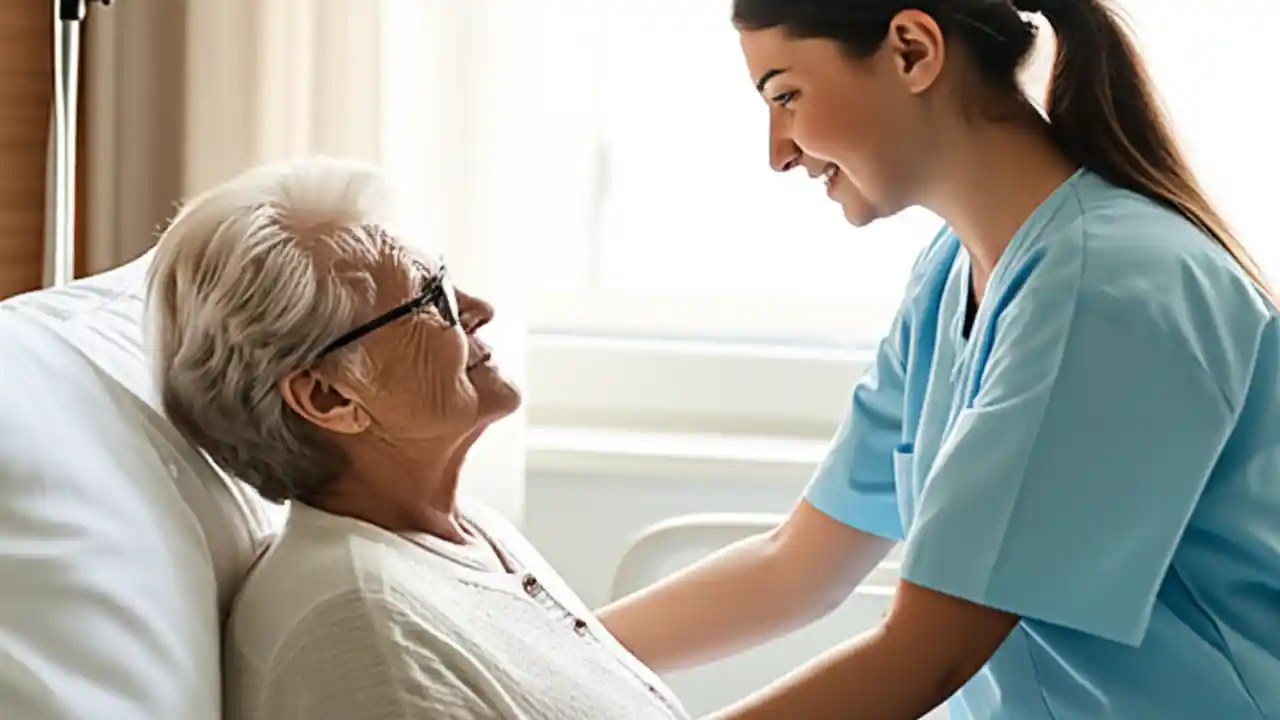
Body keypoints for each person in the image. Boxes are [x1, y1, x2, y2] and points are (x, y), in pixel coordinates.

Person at [600, 1, 1280, 718]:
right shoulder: (954, 274)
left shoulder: (1111, 287)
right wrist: (527, 656)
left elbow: (927, 654)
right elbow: (795, 568)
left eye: (786, 95)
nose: (779, 150)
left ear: (912, 51)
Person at [146, 157, 688, 720]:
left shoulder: (457, 532)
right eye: (431, 298)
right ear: (330, 398)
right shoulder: (366, 636)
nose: (478, 310)